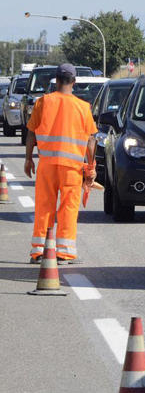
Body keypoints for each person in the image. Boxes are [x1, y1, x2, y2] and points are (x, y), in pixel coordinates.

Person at [24, 63, 97, 264]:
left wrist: (28, 158)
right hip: (72, 168)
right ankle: (64, 252)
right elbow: (91, 140)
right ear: (74, 82)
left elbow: (31, 132)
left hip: (47, 165)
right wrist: (90, 166)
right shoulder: (83, 108)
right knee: (68, 208)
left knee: (44, 206)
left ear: (56, 80)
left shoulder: (42, 102)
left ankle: (39, 251)